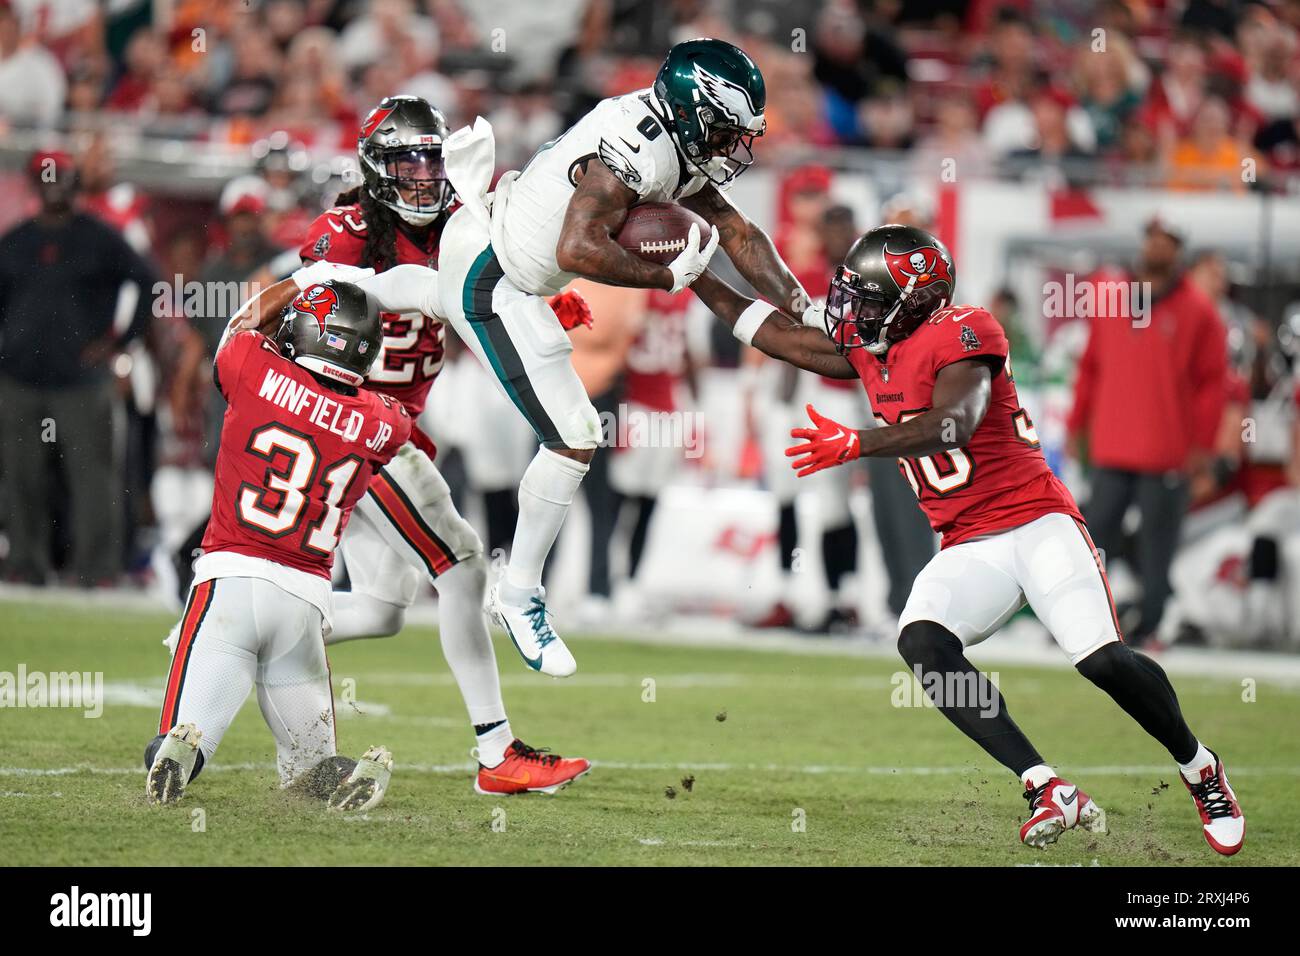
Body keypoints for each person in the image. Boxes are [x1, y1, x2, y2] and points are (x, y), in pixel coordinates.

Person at [687, 224, 1245, 856]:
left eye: (868, 299)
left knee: (1101, 659)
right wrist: (695, 277)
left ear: (916, 299)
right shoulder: (871, 345)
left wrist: (858, 443)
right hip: (968, 540)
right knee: (922, 642)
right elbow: (781, 336)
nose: (852, 311)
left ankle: (1200, 767)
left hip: (1036, 521)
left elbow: (955, 423)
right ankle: (1045, 786)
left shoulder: (963, 330)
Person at [437, 38, 816, 674]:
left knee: (571, 431)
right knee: (576, 433)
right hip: (491, 276)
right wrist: (665, 277)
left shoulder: (675, 141)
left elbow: (739, 234)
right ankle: (520, 590)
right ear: (695, 111)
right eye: (726, 131)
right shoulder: (633, 148)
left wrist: (806, 309)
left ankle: (515, 588)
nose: (732, 147)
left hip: (521, 277)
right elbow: (578, 249)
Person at [298, 95, 591, 795]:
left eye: (433, 159)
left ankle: (238, 633)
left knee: (380, 607)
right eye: (408, 161)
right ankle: (497, 755)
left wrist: (532, 305)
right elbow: (309, 304)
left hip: (394, 429)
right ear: (376, 169)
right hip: (355, 423)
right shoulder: (340, 232)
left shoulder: (458, 228)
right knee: (461, 570)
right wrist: (439, 290)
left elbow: (480, 292)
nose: (426, 176)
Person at [146, 276, 410, 812]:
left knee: (186, 729)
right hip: (305, 600)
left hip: (230, 581)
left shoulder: (251, 366)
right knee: (310, 765)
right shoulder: (383, 423)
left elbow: (245, 323)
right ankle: (340, 775)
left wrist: (303, 280)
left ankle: (177, 754)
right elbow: (382, 412)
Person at [1067, 217, 1228, 646]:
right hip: (1111, 446)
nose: (1159, 247)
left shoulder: (1199, 312)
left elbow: (1213, 385)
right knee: (1093, 538)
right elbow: (1090, 368)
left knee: (1158, 547)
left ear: (1179, 250)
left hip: (1167, 451)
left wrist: (1203, 447)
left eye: (1168, 241)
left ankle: (1152, 624)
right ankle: (1080, 621)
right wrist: (1075, 423)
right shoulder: (1111, 297)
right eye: (1154, 238)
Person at [0, 150, 156, 587]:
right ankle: (24, 563)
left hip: (81, 381)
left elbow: (147, 282)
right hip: (18, 378)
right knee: (20, 475)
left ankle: (96, 569)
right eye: (46, 179)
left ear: (75, 183)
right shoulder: (15, 240)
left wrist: (120, 342)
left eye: (62, 178)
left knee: (92, 478)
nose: (55, 186)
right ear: (35, 185)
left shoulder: (101, 238)